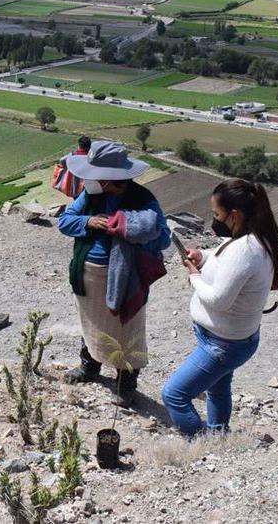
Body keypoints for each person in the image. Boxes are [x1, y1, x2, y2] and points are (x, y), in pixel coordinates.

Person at [161, 179, 278, 437]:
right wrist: (203, 256)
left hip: (222, 345)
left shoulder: (245, 249)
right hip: (229, 339)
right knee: (218, 388)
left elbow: (219, 299)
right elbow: (225, 261)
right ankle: (219, 434)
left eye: (217, 214)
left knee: (174, 394)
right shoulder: (252, 238)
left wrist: (194, 275)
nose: (215, 219)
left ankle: (202, 442)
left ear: (235, 214)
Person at [57, 141, 171, 403]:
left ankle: (126, 382)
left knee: (127, 328)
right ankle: (90, 366)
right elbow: (65, 221)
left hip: (126, 277)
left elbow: (162, 238)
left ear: (111, 179)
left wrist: (128, 229)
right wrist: (89, 221)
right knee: (92, 321)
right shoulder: (91, 195)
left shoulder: (143, 200)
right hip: (88, 272)